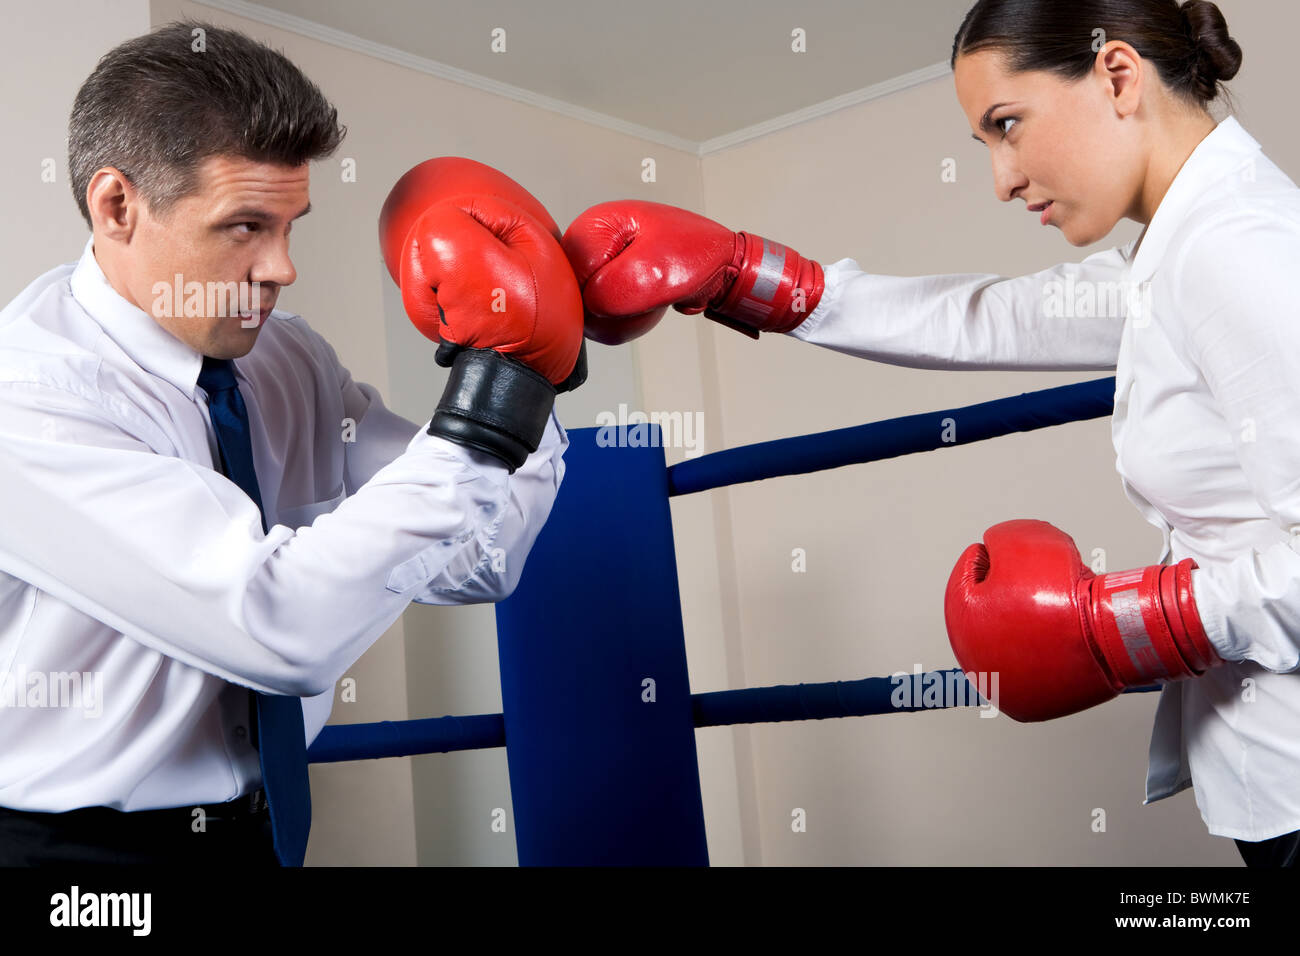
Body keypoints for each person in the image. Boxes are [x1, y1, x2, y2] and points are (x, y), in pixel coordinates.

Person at [560, 0, 1300, 867]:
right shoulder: (1179, 252)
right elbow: (979, 319)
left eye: (1008, 125)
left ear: (1118, 75)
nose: (1003, 178)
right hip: (1267, 777)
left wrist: (1122, 627)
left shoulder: (1237, 250)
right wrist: (751, 278)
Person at [0, 20, 583, 865]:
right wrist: (494, 405)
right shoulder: (29, 397)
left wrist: (534, 358)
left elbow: (478, 557)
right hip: (71, 854)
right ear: (116, 205)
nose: (282, 268)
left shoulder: (287, 356)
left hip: (268, 827)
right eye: (244, 227)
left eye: (290, 224)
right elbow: (281, 626)